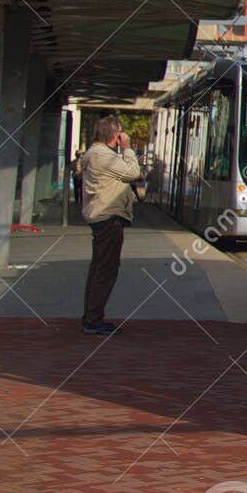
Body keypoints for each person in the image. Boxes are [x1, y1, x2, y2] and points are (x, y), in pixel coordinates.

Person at [77, 115, 142, 335]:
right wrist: (127, 148)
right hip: (109, 217)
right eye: (120, 132)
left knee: (98, 268)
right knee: (105, 270)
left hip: (101, 216)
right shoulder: (104, 155)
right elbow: (133, 173)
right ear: (115, 135)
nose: (122, 135)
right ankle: (93, 320)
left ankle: (90, 316)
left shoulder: (94, 153)